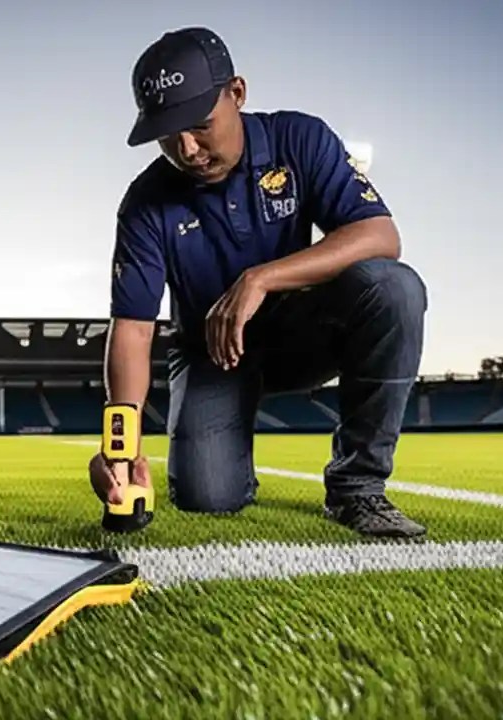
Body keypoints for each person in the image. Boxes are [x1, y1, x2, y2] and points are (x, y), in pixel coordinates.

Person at [88, 26, 428, 538]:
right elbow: (134, 330)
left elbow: (381, 234)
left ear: (238, 93)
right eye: (168, 133)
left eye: (201, 125)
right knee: (209, 497)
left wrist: (262, 279)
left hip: (301, 333)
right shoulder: (144, 203)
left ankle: (358, 487)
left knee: (394, 289)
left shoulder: (300, 139)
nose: (187, 148)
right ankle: (225, 455)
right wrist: (122, 443)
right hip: (210, 354)